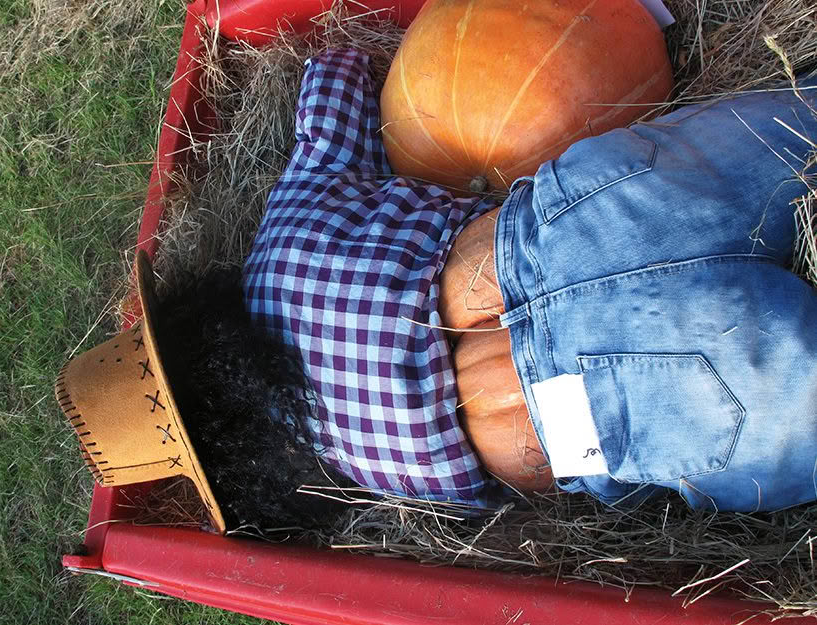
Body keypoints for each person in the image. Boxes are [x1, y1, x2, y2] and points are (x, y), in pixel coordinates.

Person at [237, 47, 817, 514]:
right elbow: (333, 91)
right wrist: (333, 60)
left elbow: (476, 506)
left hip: (576, 411)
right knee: (800, 128)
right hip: (566, 226)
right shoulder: (280, 236)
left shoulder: (323, 468)